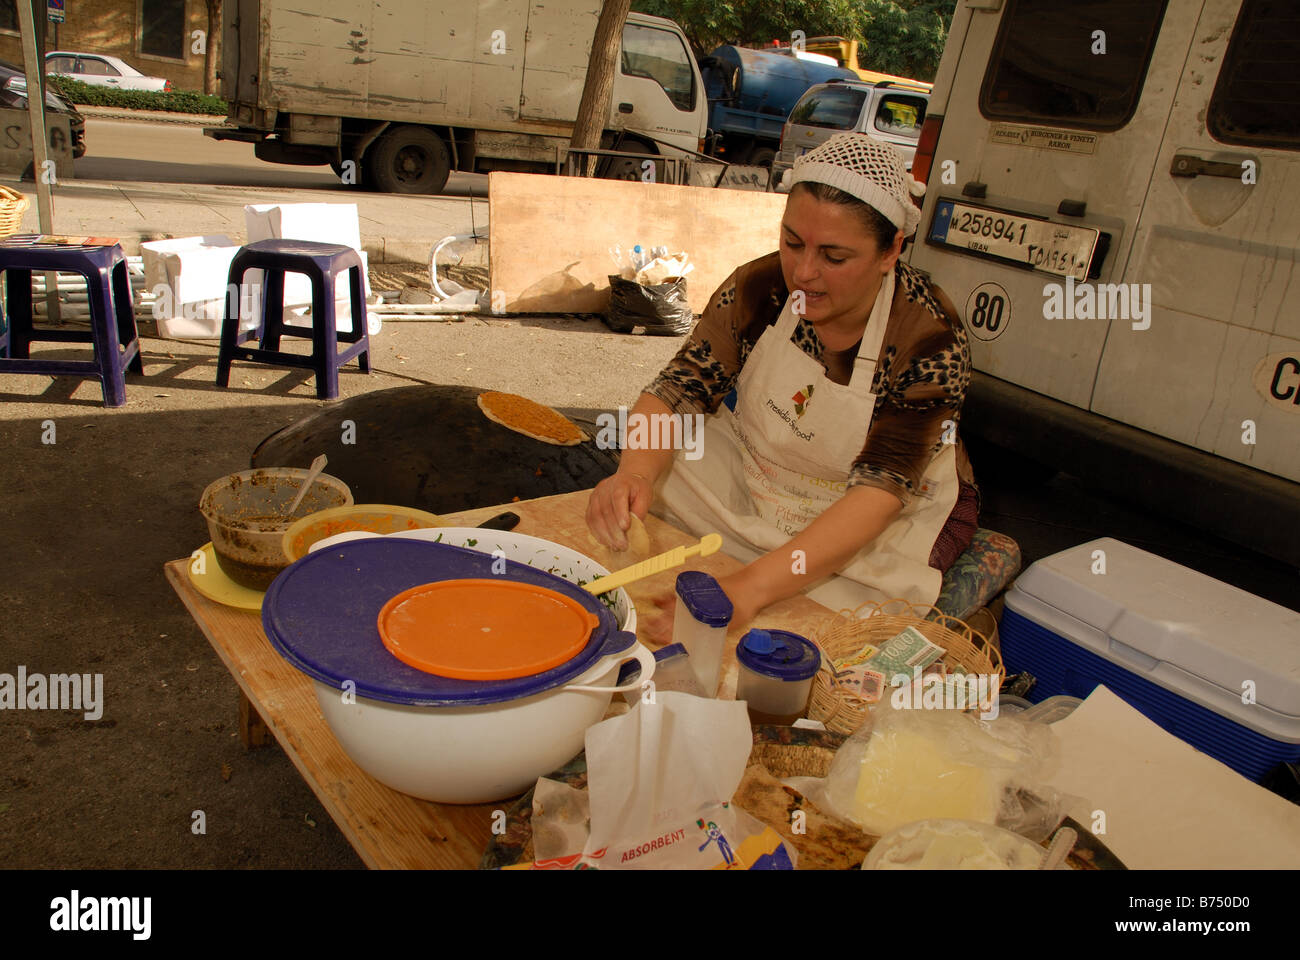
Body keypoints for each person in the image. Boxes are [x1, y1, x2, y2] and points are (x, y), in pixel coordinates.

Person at [586, 133, 979, 633]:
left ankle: (766, 570)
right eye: (792, 243)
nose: (804, 272)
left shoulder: (929, 336)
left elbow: (880, 493)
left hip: (881, 503)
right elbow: (677, 391)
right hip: (764, 470)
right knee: (659, 475)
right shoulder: (760, 287)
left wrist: (749, 589)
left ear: (890, 251)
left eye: (834, 257)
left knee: (843, 613)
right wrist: (635, 475)